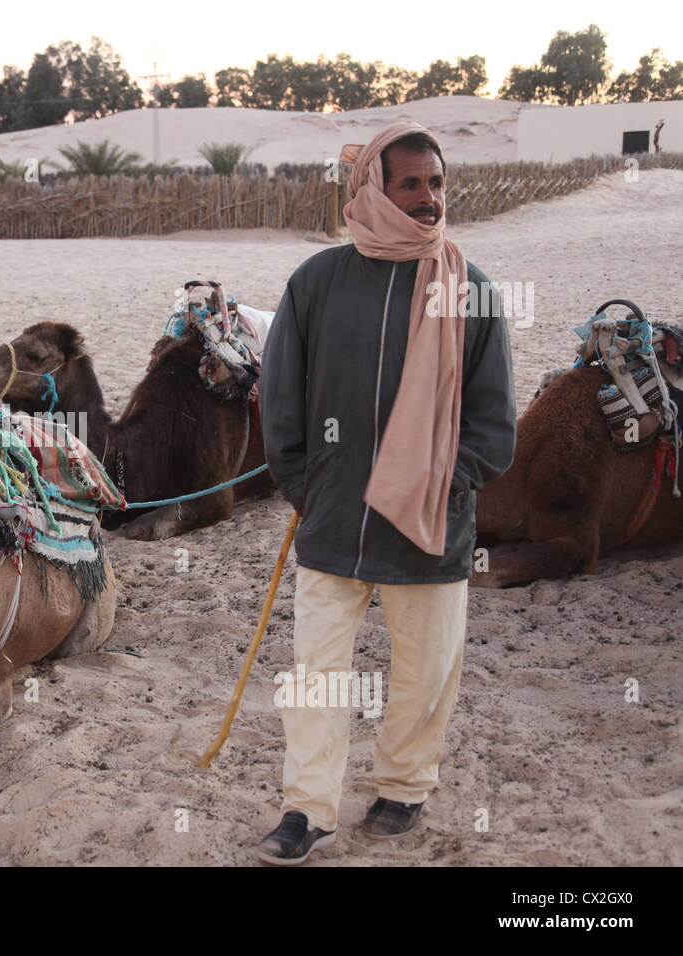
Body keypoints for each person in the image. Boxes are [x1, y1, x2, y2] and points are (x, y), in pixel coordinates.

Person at [254, 122, 517, 865]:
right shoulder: (317, 282)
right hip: (333, 522)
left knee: (425, 672)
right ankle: (307, 811)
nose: (429, 199)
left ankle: (403, 788)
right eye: (411, 183)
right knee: (314, 676)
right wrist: (309, 486)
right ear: (374, 188)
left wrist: (436, 484)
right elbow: (280, 406)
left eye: (437, 183)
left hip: (431, 526)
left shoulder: (474, 292)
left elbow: (494, 427)